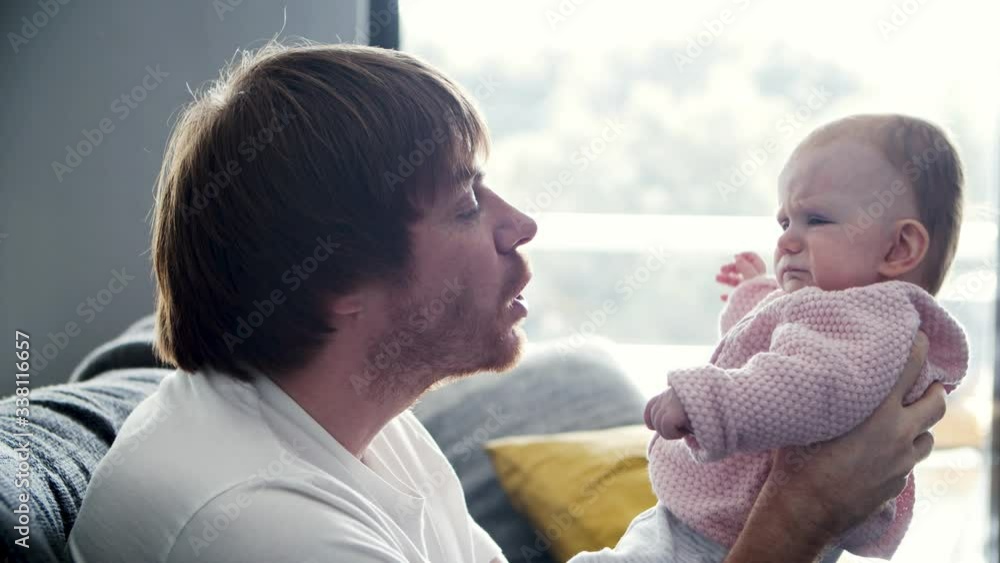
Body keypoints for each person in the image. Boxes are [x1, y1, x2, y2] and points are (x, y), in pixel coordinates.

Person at [67, 43, 947, 563]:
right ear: (337, 283)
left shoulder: (359, 429)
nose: (520, 224)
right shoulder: (261, 529)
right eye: (464, 205)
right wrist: (797, 515)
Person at [642, 115, 967, 561]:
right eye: (783, 223)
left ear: (899, 249)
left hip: (715, 542)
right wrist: (755, 291)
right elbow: (770, 339)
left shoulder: (868, 321)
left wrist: (705, 403)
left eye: (815, 219)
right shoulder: (843, 316)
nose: (787, 242)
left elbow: (807, 385)